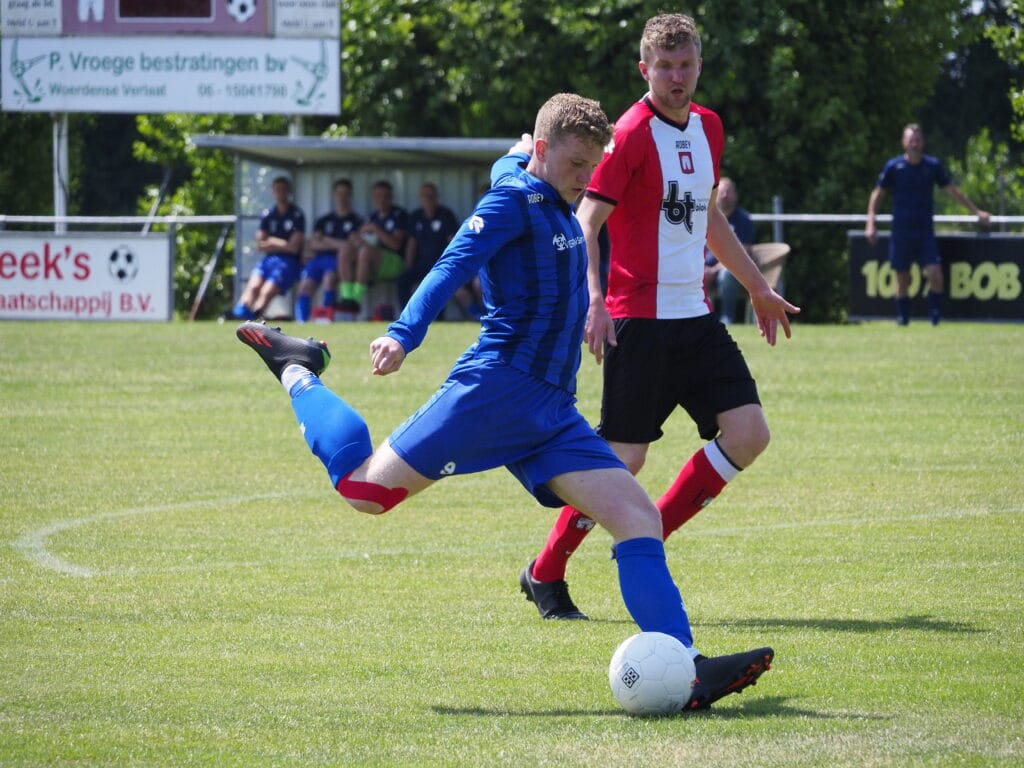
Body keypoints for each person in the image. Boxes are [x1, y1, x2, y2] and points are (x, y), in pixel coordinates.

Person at [236, 92, 773, 711]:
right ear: (543, 152)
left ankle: (687, 670)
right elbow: (448, 265)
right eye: (575, 165)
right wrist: (402, 335)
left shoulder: (539, 178)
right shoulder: (511, 200)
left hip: (550, 410)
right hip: (493, 391)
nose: (585, 179)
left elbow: (515, 157)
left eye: (593, 167)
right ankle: (299, 371)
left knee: (637, 516)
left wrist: (520, 153)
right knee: (365, 492)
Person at [518, 14, 799, 622]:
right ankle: (545, 571)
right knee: (621, 463)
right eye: (664, 67)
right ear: (645, 70)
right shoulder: (628, 134)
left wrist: (755, 286)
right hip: (636, 321)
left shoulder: (709, 128)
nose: (676, 76)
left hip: (694, 319)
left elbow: (706, 219)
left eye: (686, 65)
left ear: (699, 65)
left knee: (749, 433)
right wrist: (593, 300)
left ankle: (647, 543)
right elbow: (586, 223)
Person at [865, 123, 991, 325]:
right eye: (910, 139)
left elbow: (952, 191)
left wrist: (976, 212)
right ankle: (903, 319)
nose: (914, 143)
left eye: (917, 139)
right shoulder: (893, 167)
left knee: (935, 274)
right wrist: (870, 222)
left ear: (922, 142)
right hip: (901, 231)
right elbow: (877, 194)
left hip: (924, 232)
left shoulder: (932, 166)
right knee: (902, 277)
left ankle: (935, 319)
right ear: (903, 142)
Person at [228, 176, 306, 320]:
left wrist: (273, 241)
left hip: (288, 262)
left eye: (283, 189)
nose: (280, 193)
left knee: (266, 291)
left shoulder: (297, 215)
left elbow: (294, 248)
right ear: (273, 192)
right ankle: (239, 315)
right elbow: (260, 245)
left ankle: (256, 318)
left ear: (288, 192)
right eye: (277, 189)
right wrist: (283, 244)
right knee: (253, 287)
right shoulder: (268, 215)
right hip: (269, 259)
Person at [337, 179, 409, 317]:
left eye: (385, 196)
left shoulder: (399, 215)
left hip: (394, 263)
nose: (382, 200)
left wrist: (376, 230)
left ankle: (355, 300)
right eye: (378, 196)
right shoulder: (371, 217)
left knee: (365, 252)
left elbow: (395, 245)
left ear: (391, 197)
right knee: (345, 249)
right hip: (371, 262)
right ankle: (347, 297)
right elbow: (361, 241)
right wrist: (356, 239)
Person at [296, 178, 363, 323]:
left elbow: (351, 247)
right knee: (304, 286)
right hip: (318, 260)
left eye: (346, 194)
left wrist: (326, 240)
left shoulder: (356, 221)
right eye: (339, 194)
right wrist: (338, 243)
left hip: (338, 261)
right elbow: (313, 244)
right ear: (334, 195)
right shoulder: (324, 220)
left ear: (350, 196)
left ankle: (326, 317)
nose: (342, 198)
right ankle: (301, 321)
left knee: (329, 279)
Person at [397, 182, 459, 313]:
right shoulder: (416, 217)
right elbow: (411, 243)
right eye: (424, 196)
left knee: (439, 285)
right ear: (420, 198)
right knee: (403, 280)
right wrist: (409, 265)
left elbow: (453, 241)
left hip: (441, 263)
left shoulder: (446, 215)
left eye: (431, 195)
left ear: (437, 197)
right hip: (422, 263)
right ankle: (406, 315)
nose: (428, 199)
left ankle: (438, 318)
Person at [703, 177, 755, 324]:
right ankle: (700, 319)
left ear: (736, 195)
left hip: (728, 269)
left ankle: (727, 317)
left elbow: (743, 253)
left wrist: (713, 270)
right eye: (722, 191)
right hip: (704, 267)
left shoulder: (743, 220)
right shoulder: (703, 217)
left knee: (728, 274)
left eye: (729, 191)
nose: (725, 195)